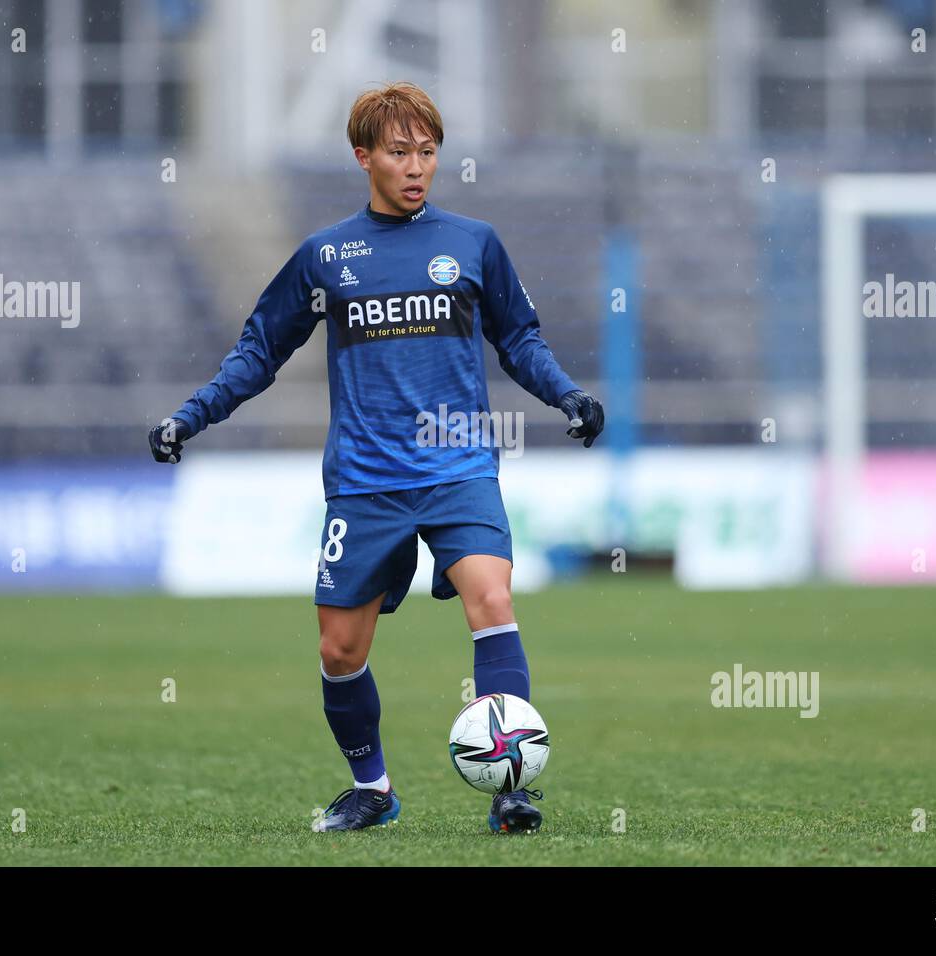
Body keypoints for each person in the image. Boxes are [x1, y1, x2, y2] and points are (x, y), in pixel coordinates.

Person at [149, 81, 604, 834]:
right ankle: (374, 790)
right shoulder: (326, 255)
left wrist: (567, 395)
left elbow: (519, 338)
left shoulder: (473, 244)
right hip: (364, 484)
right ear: (364, 156)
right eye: (400, 152)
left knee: (491, 600)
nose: (417, 166)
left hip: (458, 468)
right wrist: (190, 416)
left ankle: (511, 788)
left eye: (428, 152)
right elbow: (261, 349)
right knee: (339, 649)